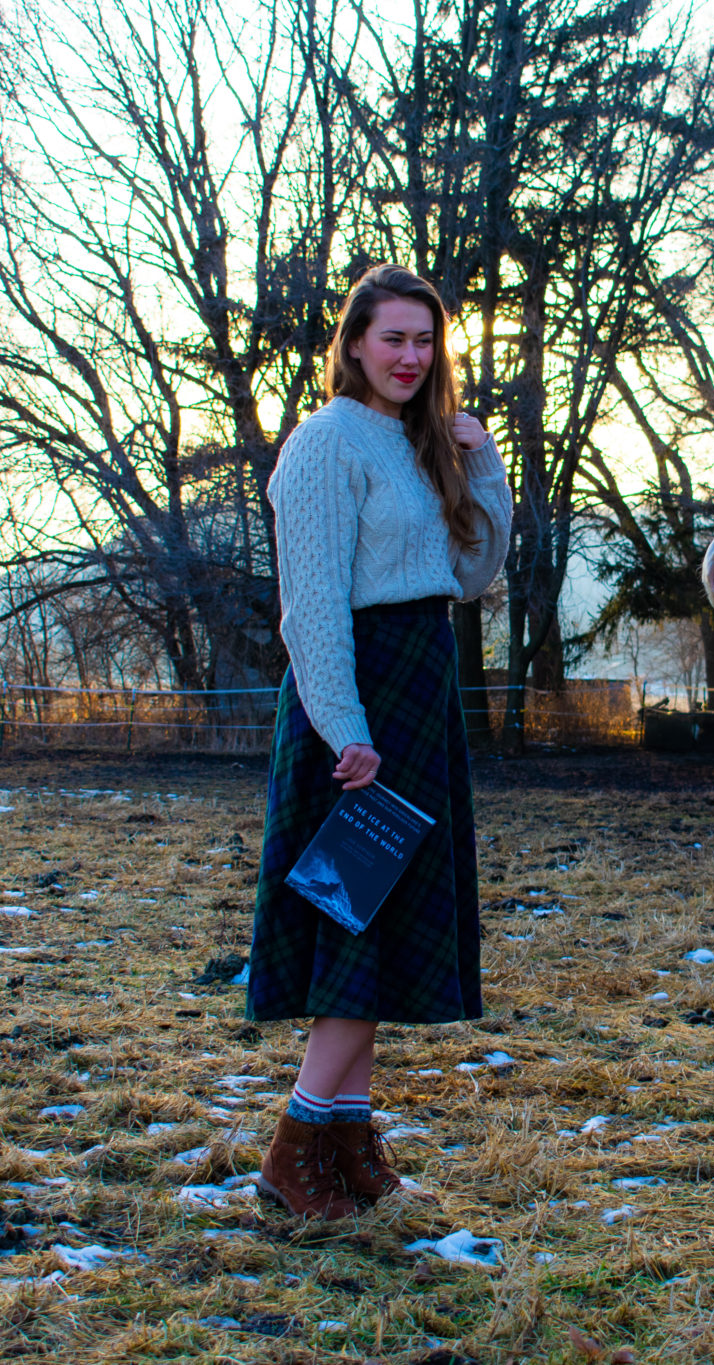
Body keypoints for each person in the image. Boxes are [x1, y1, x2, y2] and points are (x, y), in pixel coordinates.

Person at [247, 265, 511, 1219]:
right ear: (354, 343)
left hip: (421, 688)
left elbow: (472, 572)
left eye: (425, 340)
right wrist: (345, 731)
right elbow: (311, 604)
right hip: (354, 699)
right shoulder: (324, 445)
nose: (410, 356)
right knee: (353, 924)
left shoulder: (423, 444)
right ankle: (297, 1148)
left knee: (389, 924)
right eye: (393, 337)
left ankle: (349, 1149)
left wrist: (480, 463)